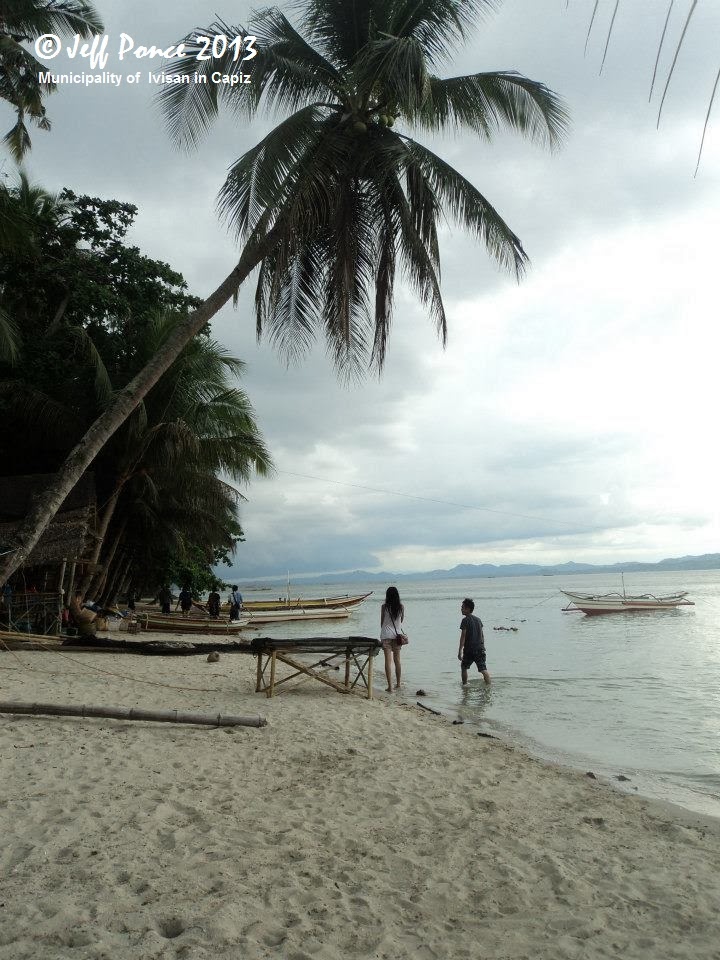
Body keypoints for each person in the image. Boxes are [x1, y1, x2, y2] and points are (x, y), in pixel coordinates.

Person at [458, 598, 490, 685]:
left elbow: (463, 636)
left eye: (463, 607)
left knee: (464, 667)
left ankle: (465, 686)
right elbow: (482, 635)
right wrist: (483, 646)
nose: (461, 609)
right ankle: (489, 686)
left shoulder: (465, 620)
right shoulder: (478, 620)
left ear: (468, 609)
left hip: (469, 650)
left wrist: (460, 650)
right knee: (483, 669)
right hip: (480, 648)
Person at [379, 586, 405, 692]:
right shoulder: (401, 607)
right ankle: (398, 684)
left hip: (386, 636)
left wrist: (385, 630)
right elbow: (401, 621)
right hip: (397, 636)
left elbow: (382, 622)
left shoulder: (384, 607)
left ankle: (390, 686)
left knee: (388, 661)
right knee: (397, 660)